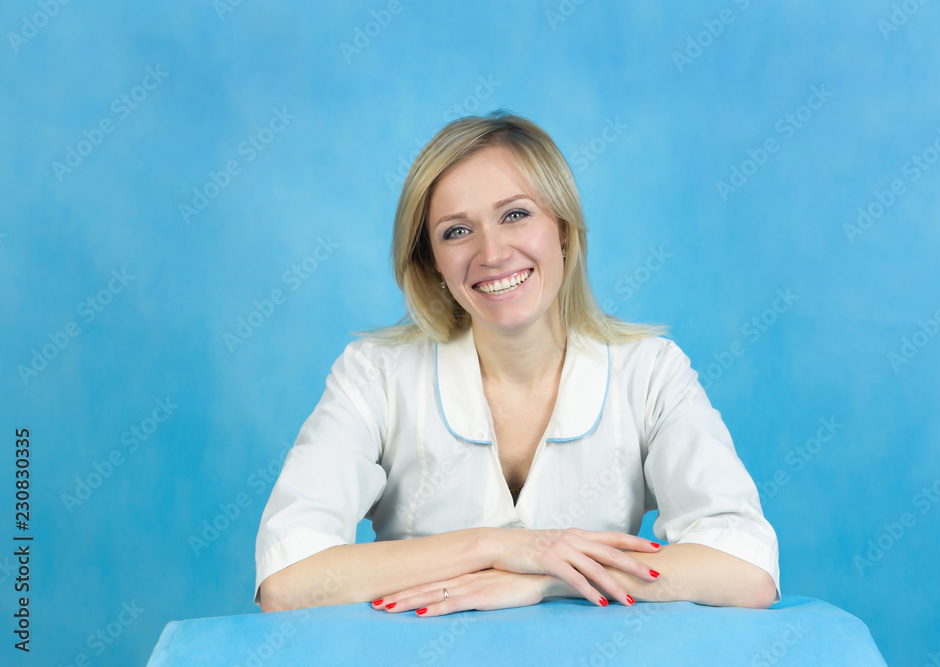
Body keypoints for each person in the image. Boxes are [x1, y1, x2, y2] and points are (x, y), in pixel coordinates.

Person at [254, 111, 780, 617]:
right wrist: (502, 547)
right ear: (431, 262)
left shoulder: (651, 371)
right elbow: (287, 579)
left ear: (565, 231)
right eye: (456, 231)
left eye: (515, 214)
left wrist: (546, 578)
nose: (493, 253)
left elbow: (745, 567)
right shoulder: (374, 375)